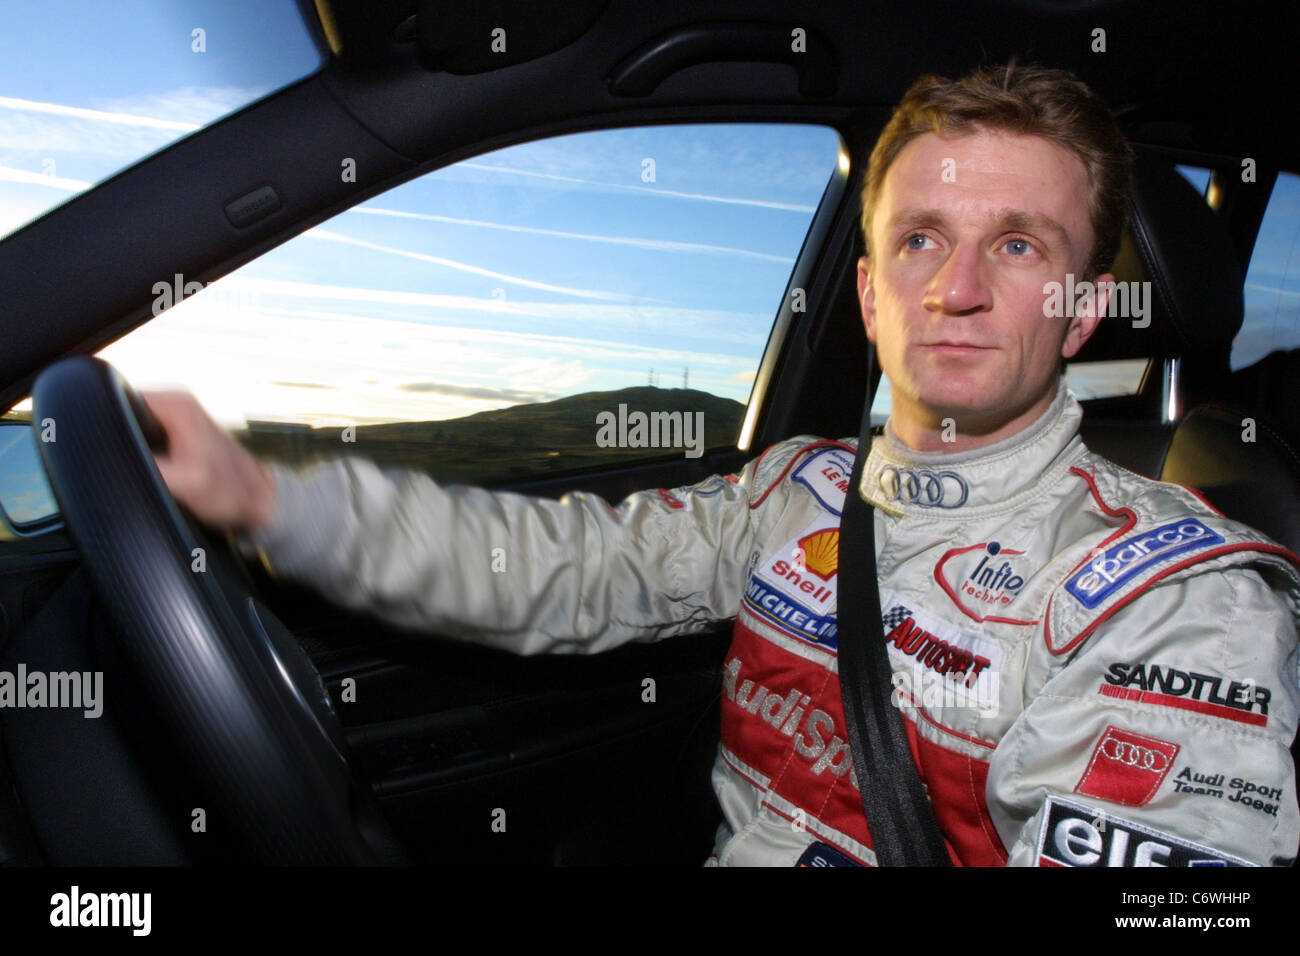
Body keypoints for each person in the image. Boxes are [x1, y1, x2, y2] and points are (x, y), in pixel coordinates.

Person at [144, 63, 1300, 867]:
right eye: (920, 241)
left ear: (1082, 305)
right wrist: (265, 498)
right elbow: (562, 569)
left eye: (1016, 244)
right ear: (866, 291)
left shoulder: (1175, 600)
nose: (955, 288)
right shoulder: (795, 488)